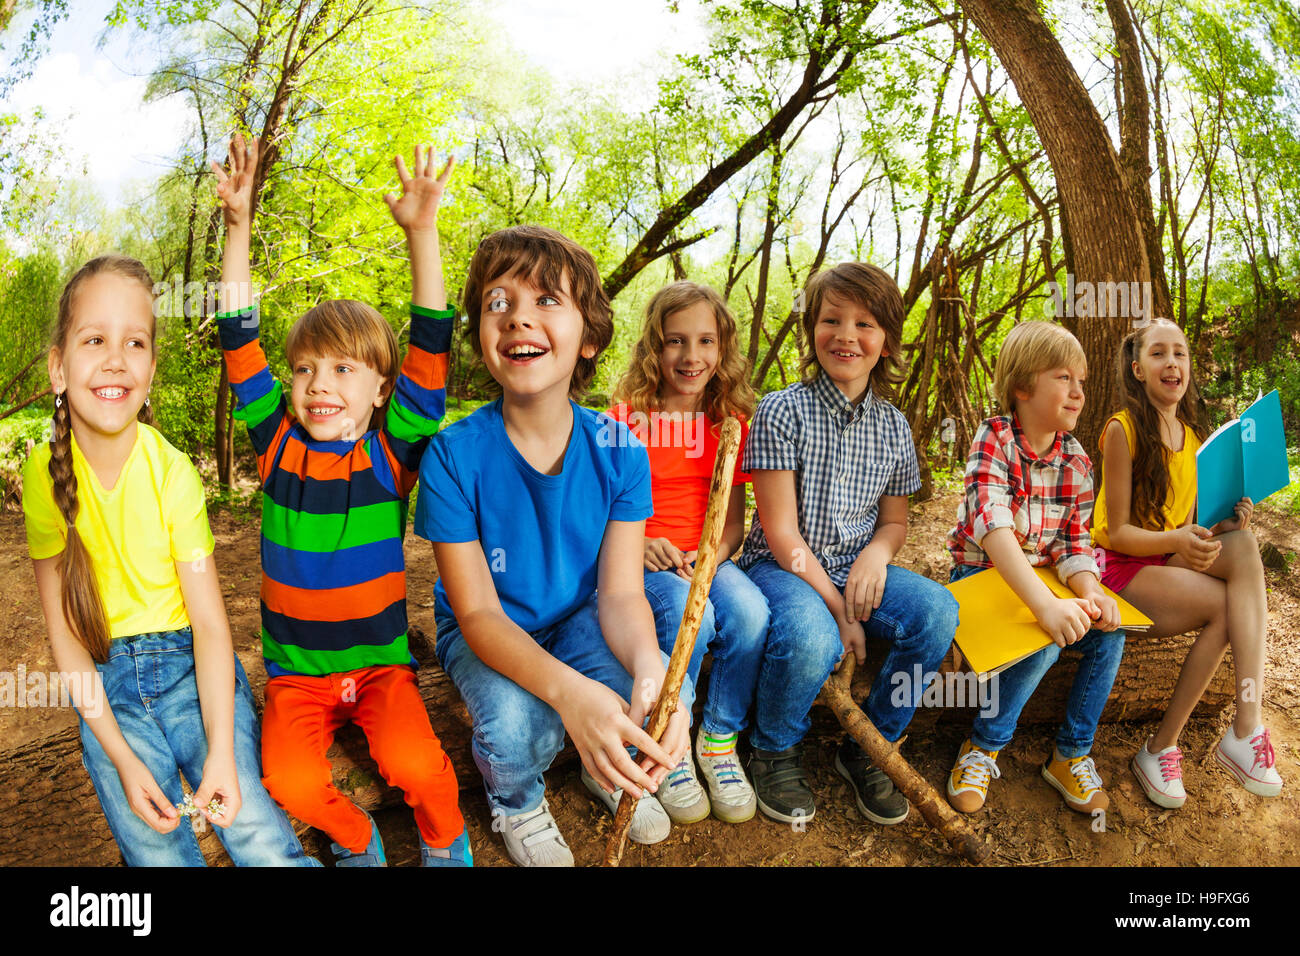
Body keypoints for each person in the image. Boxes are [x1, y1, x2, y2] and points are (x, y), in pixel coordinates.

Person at [213, 135, 468, 866]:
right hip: (297, 678)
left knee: (417, 766)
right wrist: (238, 226)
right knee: (287, 779)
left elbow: (430, 347)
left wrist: (423, 232)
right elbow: (239, 338)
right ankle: (359, 843)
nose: (319, 383)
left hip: (382, 669)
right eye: (303, 370)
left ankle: (447, 843)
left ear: (381, 389)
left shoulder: (390, 457)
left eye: (343, 369)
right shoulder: (277, 449)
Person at [23, 253, 317, 866]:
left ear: (151, 369)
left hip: (190, 665)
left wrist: (220, 754)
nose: (115, 358)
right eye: (94, 339)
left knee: (252, 826)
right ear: (58, 367)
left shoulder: (172, 472)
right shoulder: (42, 477)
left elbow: (212, 628)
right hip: (107, 686)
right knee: (153, 847)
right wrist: (122, 759)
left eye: (135, 342)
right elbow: (65, 638)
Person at [416, 225, 689, 866]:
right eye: (498, 303)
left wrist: (655, 674)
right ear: (481, 333)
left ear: (589, 336)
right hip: (487, 631)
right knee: (518, 726)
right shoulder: (454, 456)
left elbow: (621, 595)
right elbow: (479, 615)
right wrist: (570, 695)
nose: (517, 319)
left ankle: (605, 763)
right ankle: (516, 801)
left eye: (545, 301)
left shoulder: (621, 450)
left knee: (642, 670)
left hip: (579, 618)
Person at [736, 262, 957, 826]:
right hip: (783, 569)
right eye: (831, 320)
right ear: (813, 330)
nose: (847, 335)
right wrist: (839, 610)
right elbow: (782, 534)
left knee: (937, 612)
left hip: (853, 563)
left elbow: (895, 523)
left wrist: (874, 557)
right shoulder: (781, 410)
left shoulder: (892, 425)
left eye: (865, 323)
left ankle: (868, 748)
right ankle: (773, 746)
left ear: (886, 340)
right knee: (811, 637)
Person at [1093, 317, 1283, 807]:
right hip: (1116, 569)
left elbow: (1190, 523)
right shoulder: (1123, 429)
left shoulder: (1195, 438)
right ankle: (1166, 746)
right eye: (1158, 353)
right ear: (1137, 368)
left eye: (1180, 352)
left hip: (1163, 558)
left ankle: (1244, 725)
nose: (1172, 362)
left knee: (1242, 546)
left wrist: (1226, 522)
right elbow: (1117, 532)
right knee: (1226, 606)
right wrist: (1178, 539)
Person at [946, 320, 1125, 815]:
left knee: (1108, 633)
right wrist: (1045, 606)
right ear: (1023, 386)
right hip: (982, 580)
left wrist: (1090, 591)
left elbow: (1074, 544)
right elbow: (993, 527)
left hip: (1043, 583)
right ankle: (983, 745)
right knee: (1044, 634)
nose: (1078, 392)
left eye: (1081, 382)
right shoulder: (995, 438)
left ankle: (1071, 754)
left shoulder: (1077, 462)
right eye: (1064, 378)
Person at [607, 280, 768, 825]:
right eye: (675, 341)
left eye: (705, 341)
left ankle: (717, 738)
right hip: (641, 559)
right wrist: (640, 543)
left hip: (705, 557)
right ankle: (666, 742)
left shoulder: (732, 423)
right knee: (683, 617)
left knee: (750, 612)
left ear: (722, 349)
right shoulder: (627, 417)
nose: (690, 356)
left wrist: (712, 556)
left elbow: (734, 520)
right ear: (654, 349)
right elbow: (603, 506)